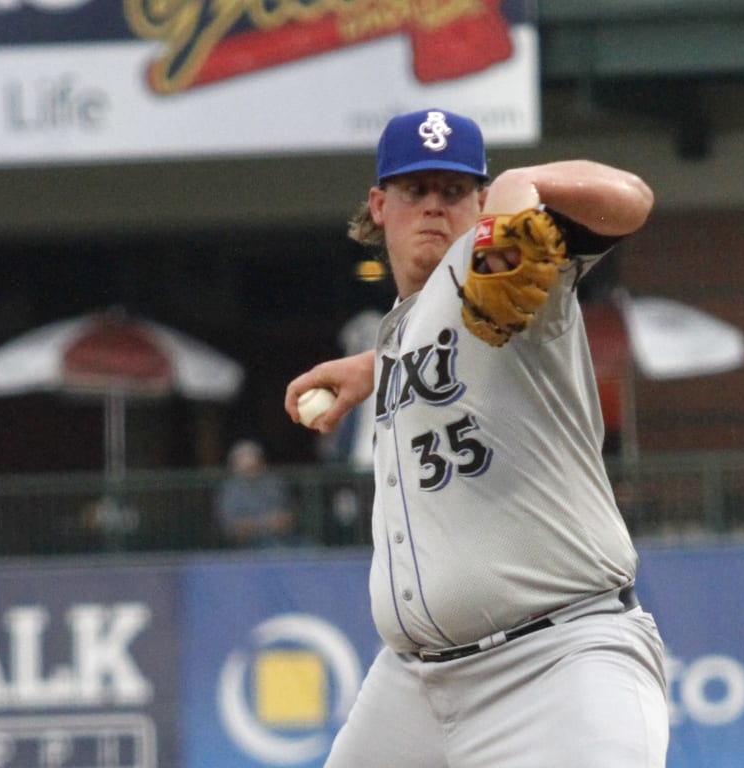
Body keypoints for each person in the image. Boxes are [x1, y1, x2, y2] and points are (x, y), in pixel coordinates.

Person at [284, 108, 667, 767]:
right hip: (413, 686)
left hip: (558, 660)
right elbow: (451, 350)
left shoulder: (502, 253)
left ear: (481, 200)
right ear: (379, 205)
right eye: (415, 190)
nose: (436, 206)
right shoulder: (398, 331)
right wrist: (376, 369)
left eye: (455, 190)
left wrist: (530, 182)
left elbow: (631, 202)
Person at [213, 439, 297, 548]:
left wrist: (256, 524)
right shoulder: (229, 490)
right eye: (247, 469)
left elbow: (287, 520)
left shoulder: (276, 483)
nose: (253, 471)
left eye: (255, 466)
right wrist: (266, 523)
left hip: (284, 545)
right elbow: (233, 529)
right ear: (235, 467)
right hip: (243, 551)